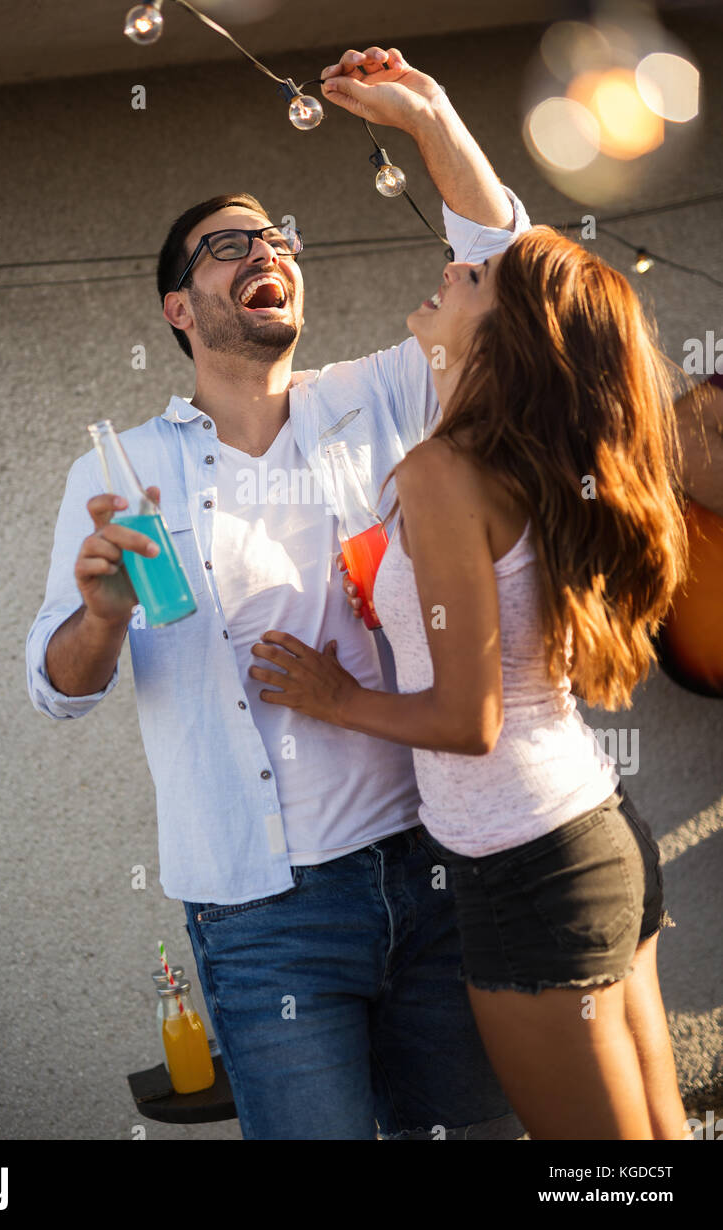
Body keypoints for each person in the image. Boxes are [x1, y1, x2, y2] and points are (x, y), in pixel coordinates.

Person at [26, 43, 532, 1140]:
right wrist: (104, 612)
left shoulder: (378, 395)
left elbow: (508, 276)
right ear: (178, 304)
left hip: (429, 866)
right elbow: (57, 689)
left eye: (273, 236)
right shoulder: (116, 474)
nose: (264, 248)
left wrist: (430, 117)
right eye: (226, 245)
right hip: (264, 917)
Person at [251, 57, 692, 1138]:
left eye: (471, 278)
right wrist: (428, 115)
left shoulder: (444, 472)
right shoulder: (513, 455)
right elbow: (504, 254)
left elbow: (463, 718)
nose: (451, 270)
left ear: (502, 335)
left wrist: (326, 693)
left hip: (531, 869)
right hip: (585, 834)